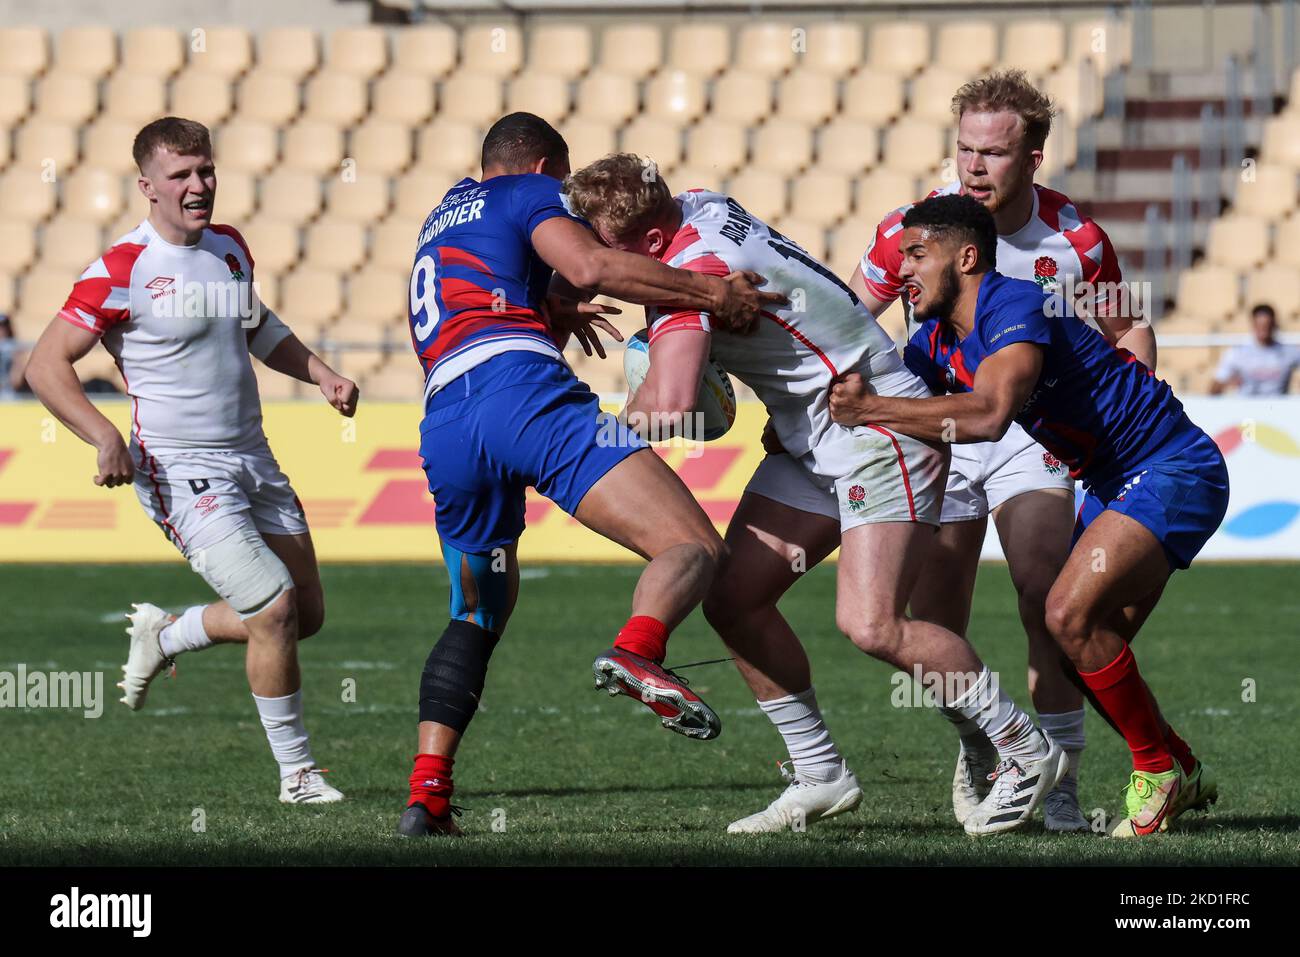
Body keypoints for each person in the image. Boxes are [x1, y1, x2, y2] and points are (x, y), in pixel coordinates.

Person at [565, 153, 1069, 837]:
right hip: (815, 433)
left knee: (872, 624)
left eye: (607, 251)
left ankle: (1021, 745)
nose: (596, 264)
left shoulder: (692, 275)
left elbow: (677, 405)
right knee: (734, 598)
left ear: (651, 242)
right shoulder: (699, 203)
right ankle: (819, 773)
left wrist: (588, 431)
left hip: (878, 427)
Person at [397, 114, 786, 837]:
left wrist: (543, 304)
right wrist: (711, 295)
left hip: (446, 421)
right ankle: (638, 649)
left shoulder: (440, 215)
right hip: (522, 395)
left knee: (476, 614)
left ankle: (428, 796)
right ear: (544, 166)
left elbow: (477, 293)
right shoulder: (527, 191)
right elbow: (590, 266)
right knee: (693, 545)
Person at [830, 193, 1224, 837]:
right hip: (1113, 483)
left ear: (966, 257)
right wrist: (810, 423)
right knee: (1078, 648)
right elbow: (891, 409)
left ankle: (1155, 770)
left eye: (917, 255)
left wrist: (868, 408)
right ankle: (1180, 764)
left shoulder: (1016, 303)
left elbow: (988, 415)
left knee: (1065, 615)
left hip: (1174, 467)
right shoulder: (934, 342)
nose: (902, 270)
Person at [846, 71, 1151, 831]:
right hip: (939, 431)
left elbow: (1130, 328)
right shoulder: (912, 230)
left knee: (1044, 599)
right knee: (934, 613)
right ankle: (985, 742)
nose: (974, 166)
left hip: (1030, 436)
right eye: (965, 149)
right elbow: (849, 322)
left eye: (994, 152)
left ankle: (1062, 781)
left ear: (1034, 156)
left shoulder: (1076, 240)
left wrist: (1131, 413)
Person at [23, 116, 358, 804]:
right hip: (178, 468)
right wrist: (103, 436)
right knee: (273, 610)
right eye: (181, 175)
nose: (199, 185)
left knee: (306, 614)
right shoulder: (122, 269)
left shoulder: (229, 247)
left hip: (252, 455)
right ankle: (297, 775)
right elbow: (44, 364)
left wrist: (321, 373)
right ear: (147, 186)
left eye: (205, 170)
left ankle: (168, 633)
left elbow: (257, 325)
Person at [1210, 303, 1300, 395]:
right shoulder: (1237, 352)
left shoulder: (1289, 352)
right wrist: (1227, 383)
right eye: (1259, 326)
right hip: (1246, 402)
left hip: (1278, 402)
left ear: (1273, 324)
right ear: (1253, 324)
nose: (1263, 330)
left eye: (1267, 325)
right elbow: (1215, 387)